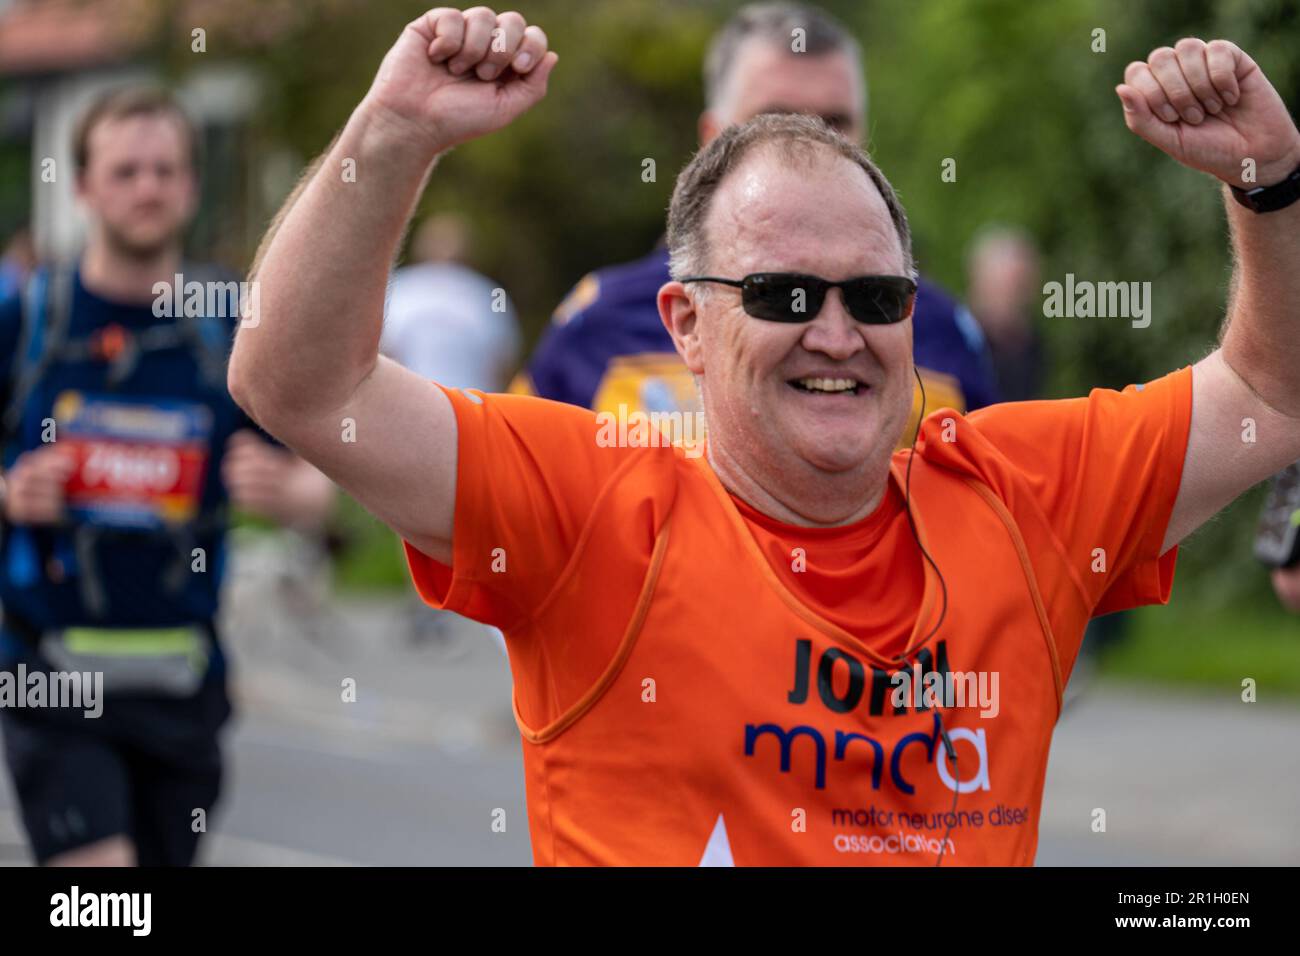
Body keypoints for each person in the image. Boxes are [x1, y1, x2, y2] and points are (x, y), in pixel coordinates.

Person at [232, 8, 1300, 865]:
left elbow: (1272, 389)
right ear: (686, 323)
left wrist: (1270, 183)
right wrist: (391, 134)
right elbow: (297, 382)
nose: (836, 334)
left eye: (876, 297)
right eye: (785, 293)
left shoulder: (1025, 495)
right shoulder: (586, 504)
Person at [0, 87, 335, 866]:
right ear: (82, 186)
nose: (147, 188)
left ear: (189, 185)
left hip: (183, 680)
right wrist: (11, 491)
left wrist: (293, 496)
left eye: (164, 170)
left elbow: (322, 469)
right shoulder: (31, 319)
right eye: (125, 171)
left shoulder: (230, 325)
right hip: (50, 677)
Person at [512, 2, 998, 440]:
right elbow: (513, 497)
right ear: (710, 139)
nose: (810, 147)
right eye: (776, 120)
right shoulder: (599, 322)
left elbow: (982, 512)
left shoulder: (936, 327)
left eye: (834, 124)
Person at [380, 212, 521, 390]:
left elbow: (382, 353)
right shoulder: (490, 293)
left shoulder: (397, 288)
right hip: (472, 406)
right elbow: (503, 363)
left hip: (409, 403)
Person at [965, 226, 1046, 403]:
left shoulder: (1031, 344)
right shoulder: (958, 340)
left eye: (1022, 287)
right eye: (1006, 287)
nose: (1015, 298)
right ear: (979, 284)